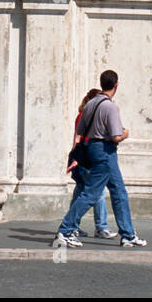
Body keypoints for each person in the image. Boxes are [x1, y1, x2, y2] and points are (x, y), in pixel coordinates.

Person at [52, 70, 147, 249]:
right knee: (92, 193)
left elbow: (80, 130)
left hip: (94, 149)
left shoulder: (91, 103)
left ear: (102, 83)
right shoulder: (110, 107)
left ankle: (128, 234)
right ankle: (65, 230)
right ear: (116, 85)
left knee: (119, 191)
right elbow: (116, 135)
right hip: (105, 150)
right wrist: (126, 133)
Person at [65, 88, 114, 239]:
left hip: (83, 158)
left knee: (80, 191)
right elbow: (78, 139)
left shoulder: (83, 116)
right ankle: (101, 227)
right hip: (86, 159)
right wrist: (76, 158)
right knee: (97, 192)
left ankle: (73, 226)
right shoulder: (85, 117)